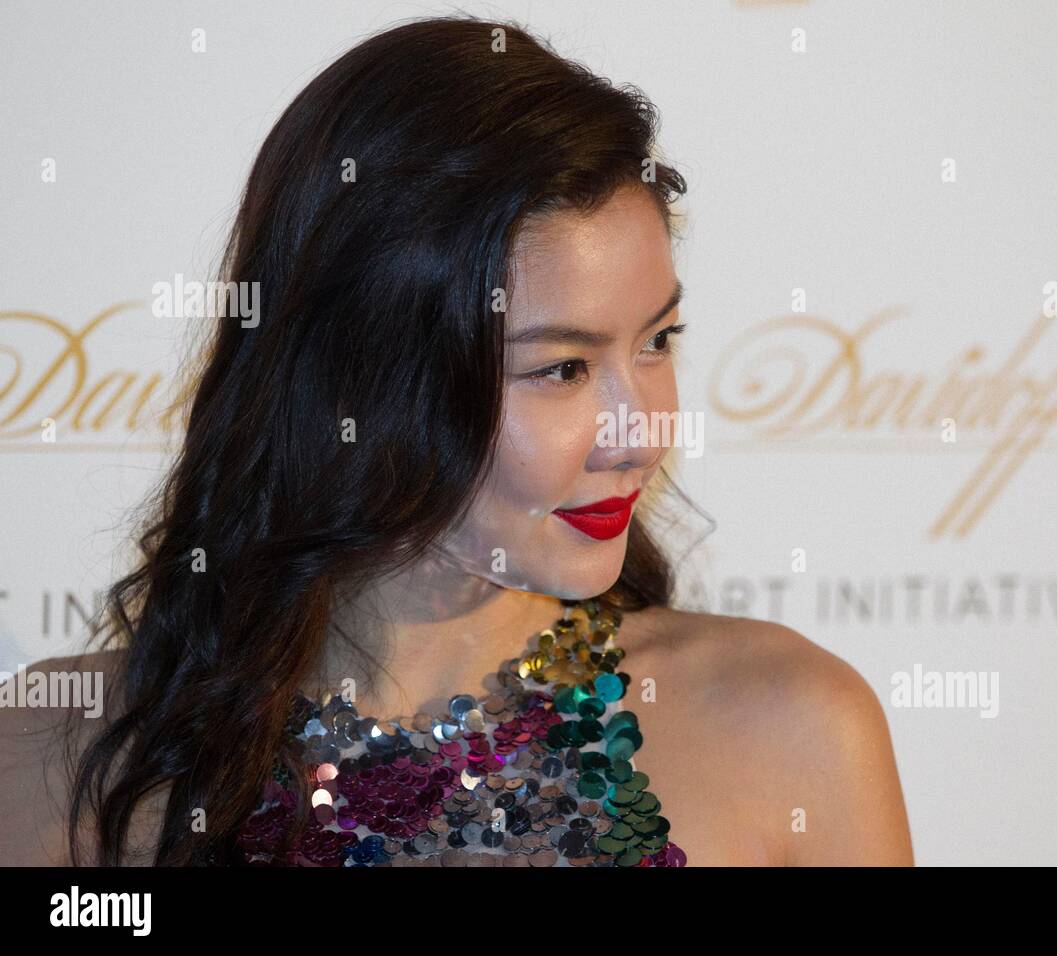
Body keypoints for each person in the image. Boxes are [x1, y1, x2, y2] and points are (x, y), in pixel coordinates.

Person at [0, 15, 912, 867]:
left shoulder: (791, 729)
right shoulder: (45, 750)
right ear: (361, 373)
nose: (641, 435)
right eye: (561, 369)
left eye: (657, 342)